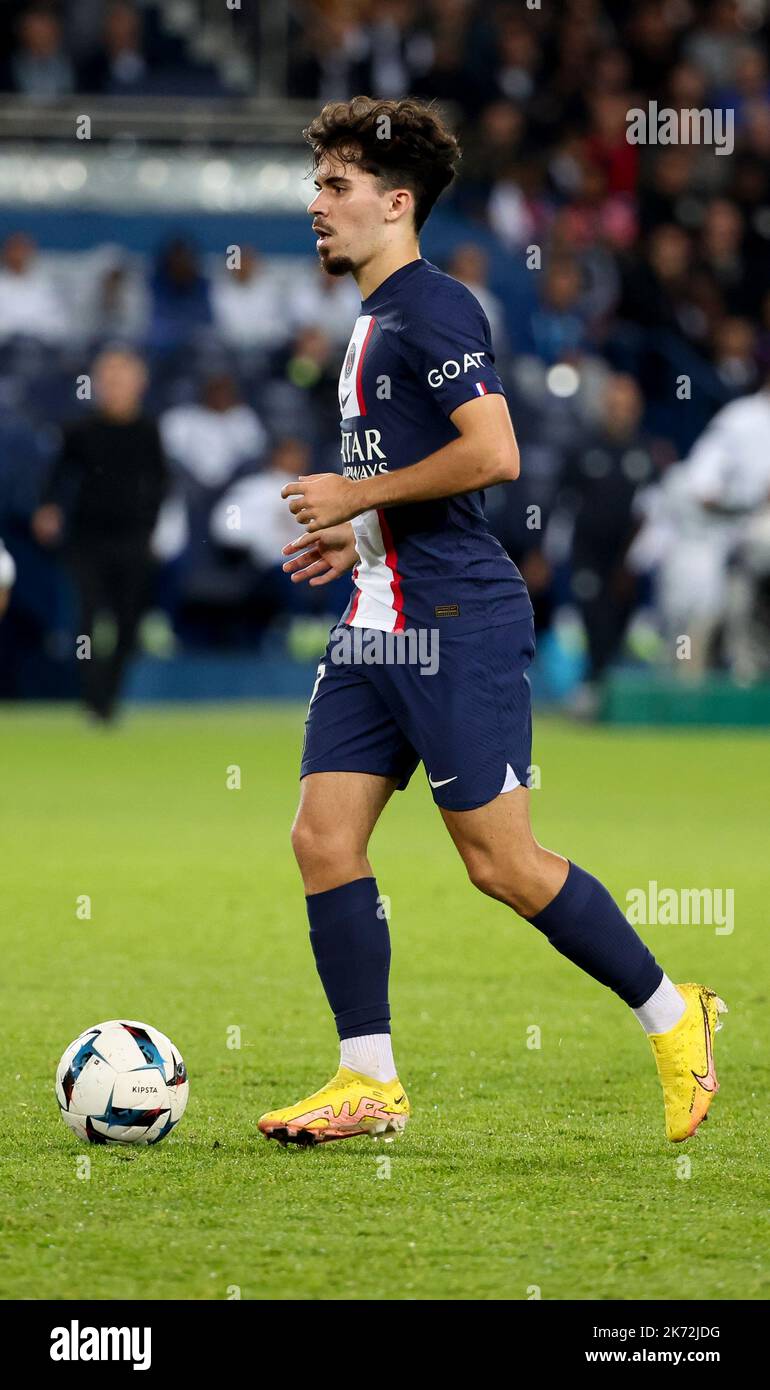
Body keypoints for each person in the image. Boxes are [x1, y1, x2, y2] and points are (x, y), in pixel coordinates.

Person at [257, 97, 725, 1148]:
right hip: (379, 611)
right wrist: (356, 534)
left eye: (335, 188)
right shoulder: (373, 319)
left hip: (455, 614)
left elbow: (493, 451)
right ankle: (365, 1079)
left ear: (396, 203)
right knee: (321, 838)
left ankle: (672, 1013)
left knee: (498, 863)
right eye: (316, 185)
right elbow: (416, 475)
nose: (316, 206)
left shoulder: (433, 309)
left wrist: (353, 497)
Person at [32, 347, 167, 722]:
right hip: (87, 540)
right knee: (88, 623)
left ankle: (108, 695)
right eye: (110, 380)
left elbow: (159, 483)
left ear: (139, 385)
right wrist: (48, 509)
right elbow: (57, 477)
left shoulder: (148, 431)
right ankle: (92, 699)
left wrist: (152, 528)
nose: (117, 388)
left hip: (133, 539)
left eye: (124, 380)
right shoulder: (80, 431)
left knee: (128, 623)